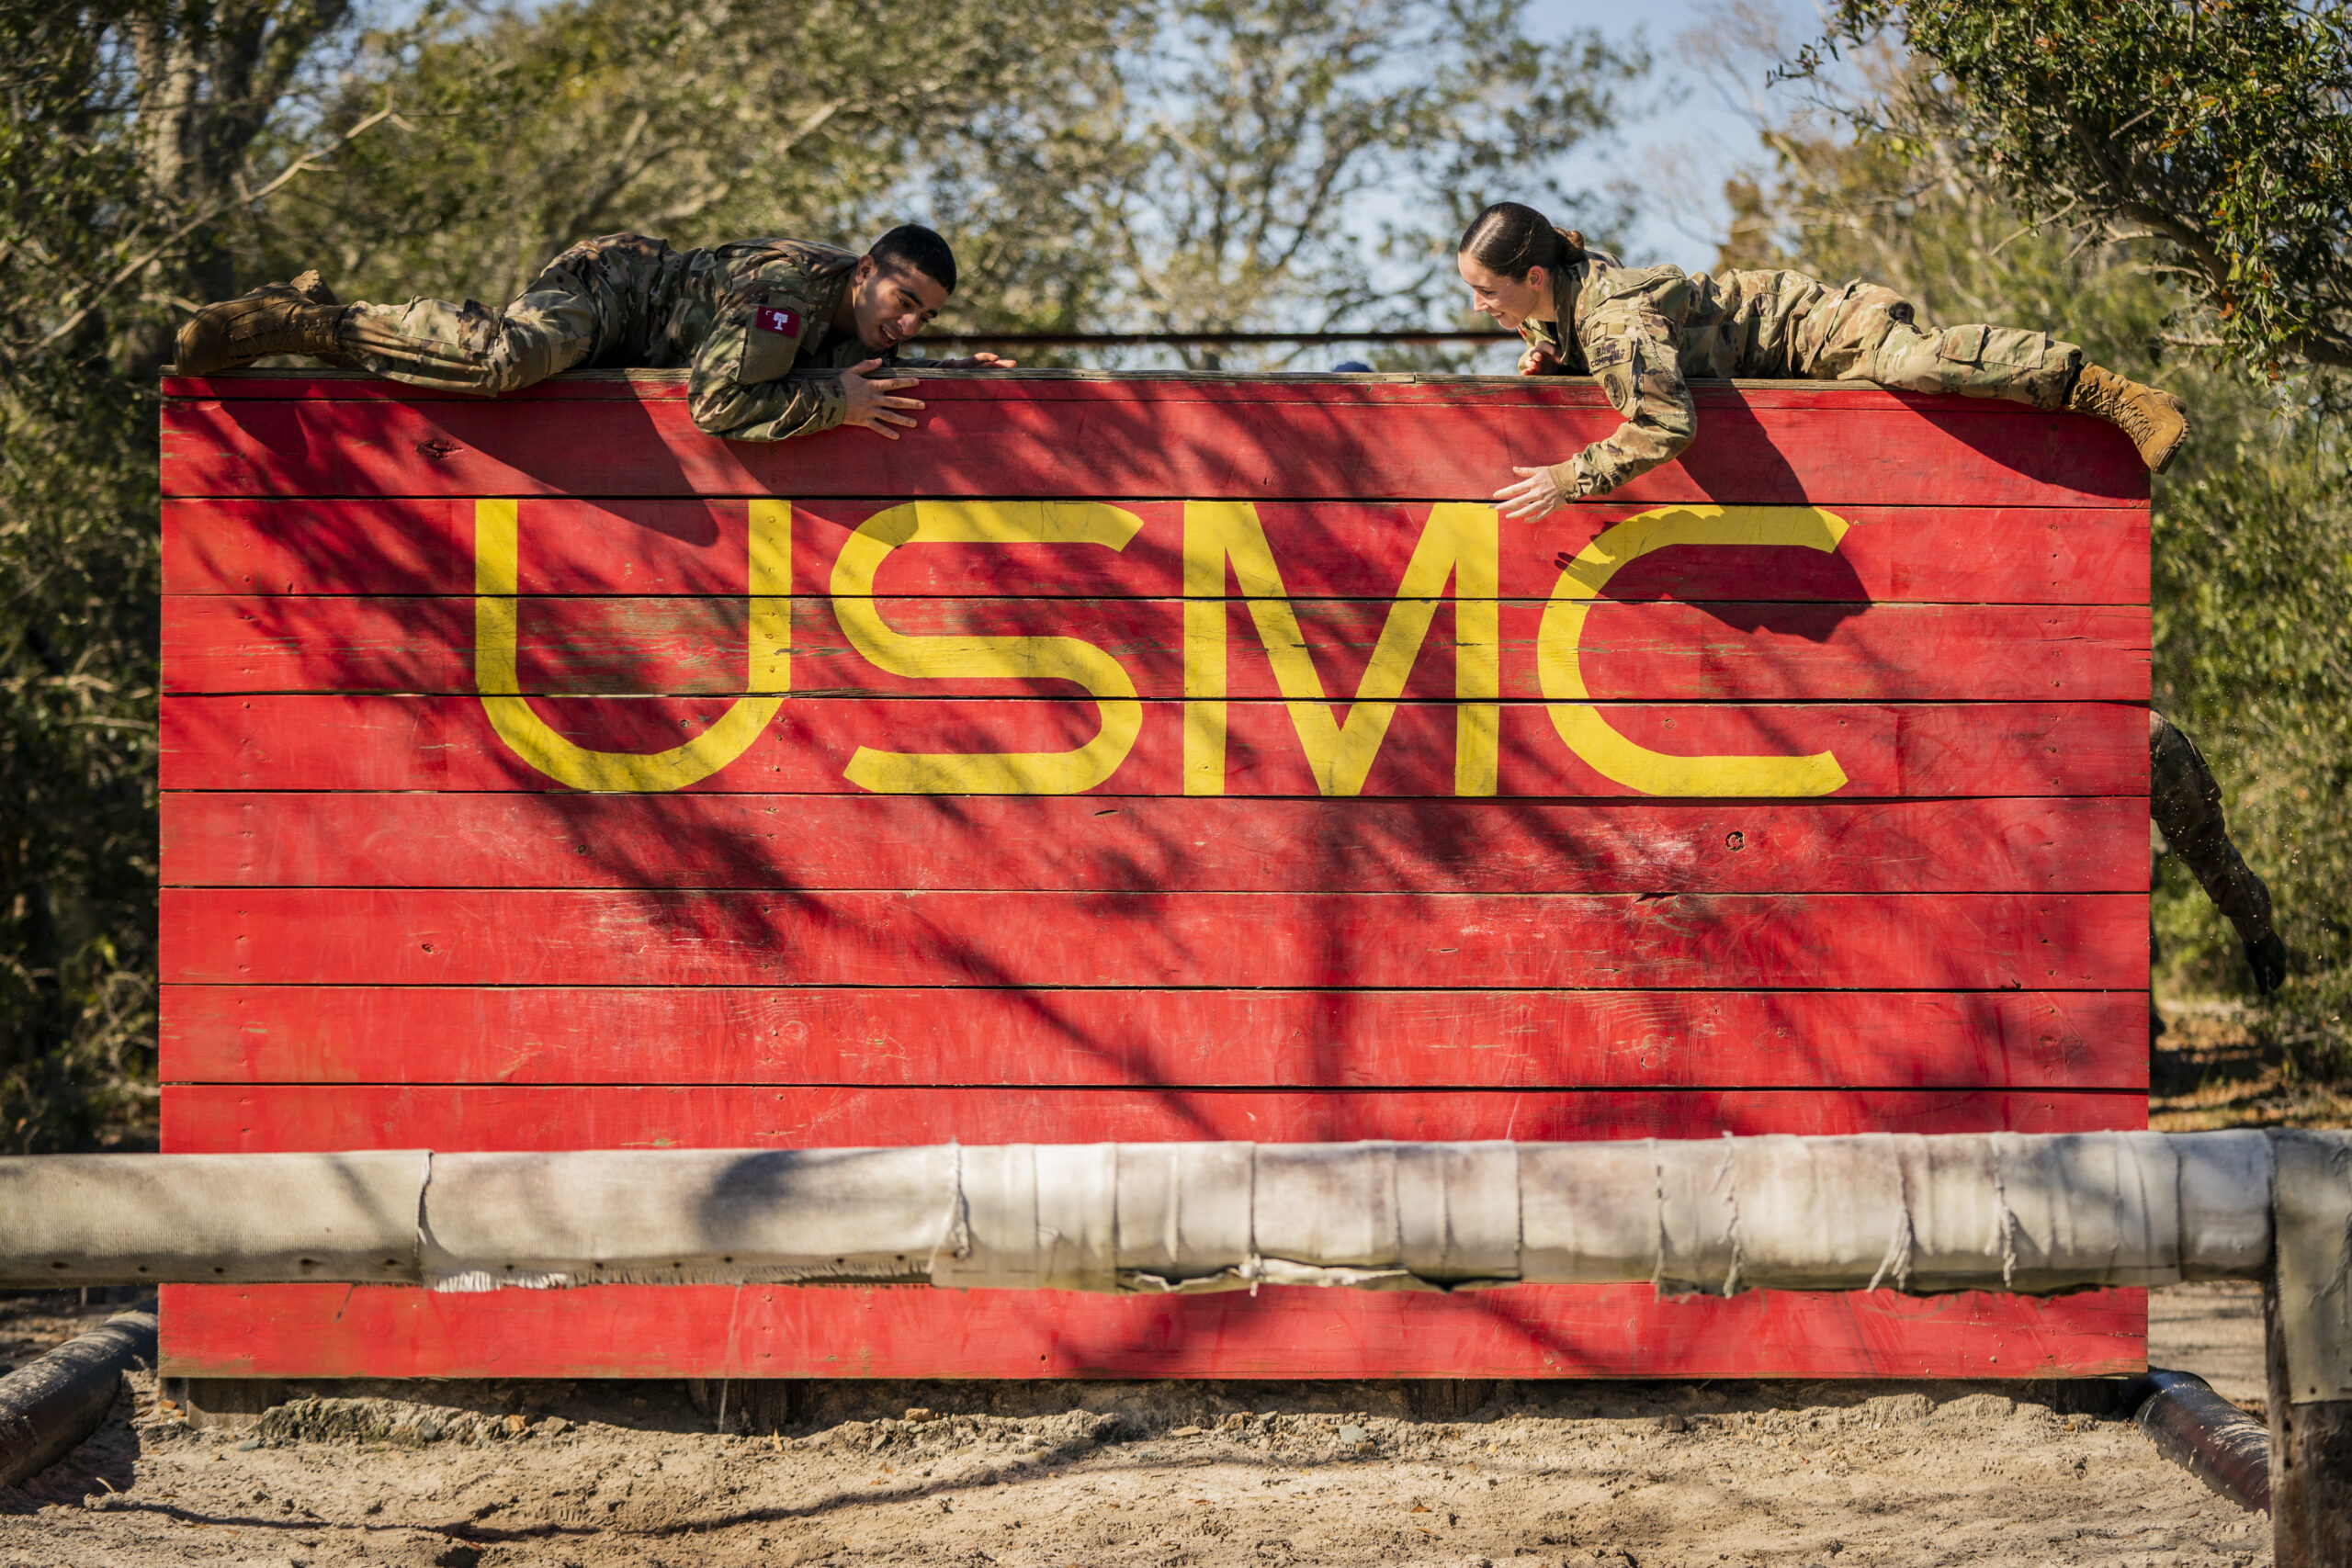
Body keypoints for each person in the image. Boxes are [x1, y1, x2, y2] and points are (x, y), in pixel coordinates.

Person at [1453, 201, 2190, 520]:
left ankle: (2107, 391)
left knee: (1917, 365)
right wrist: (1554, 355)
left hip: (1805, 329)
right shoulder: (1560, 295)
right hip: (1769, 345)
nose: (1480, 304)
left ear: (1535, 277)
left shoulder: (1612, 322)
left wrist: (1566, 478)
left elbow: (1666, 425)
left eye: (1488, 290)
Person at [172, 225, 1012, 442]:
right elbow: (717, 403)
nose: (905, 324)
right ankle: (304, 319)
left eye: (923, 318)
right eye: (902, 300)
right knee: (512, 360)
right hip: (613, 294)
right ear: (866, 271)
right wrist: (832, 403)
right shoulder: (785, 292)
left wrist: (961, 374)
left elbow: (867, 369)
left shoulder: (863, 317)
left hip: (638, 336)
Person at [2151, 710, 2289, 1017]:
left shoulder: (2144, 739)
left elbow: (2206, 847)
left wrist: (2257, 931)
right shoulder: (2146, 736)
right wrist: (2258, 932)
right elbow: (2208, 850)